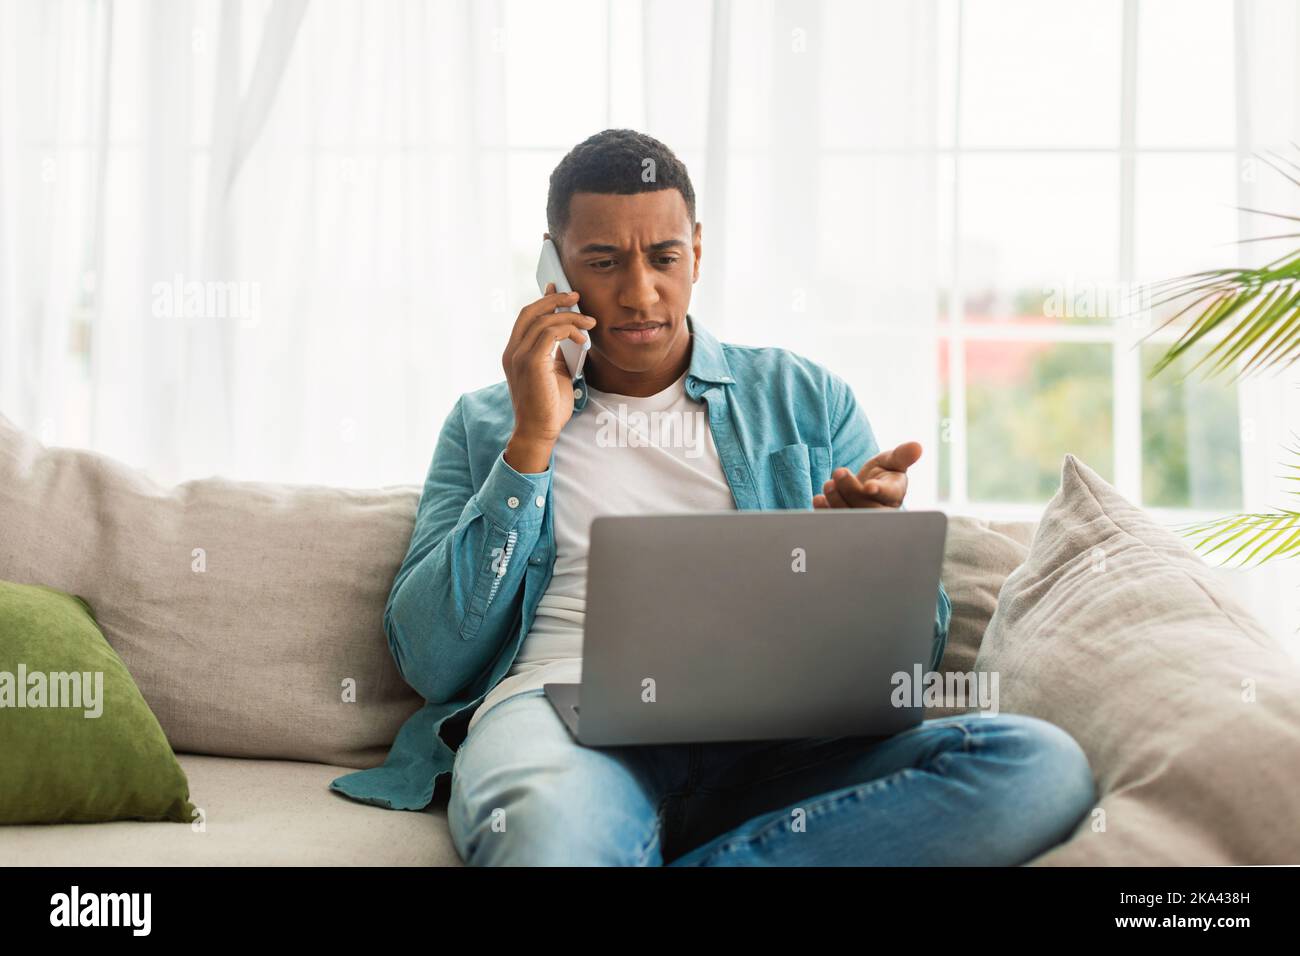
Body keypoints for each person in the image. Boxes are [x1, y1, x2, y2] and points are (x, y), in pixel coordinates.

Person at [330, 128, 1096, 866]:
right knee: (545, 840)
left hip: (781, 742)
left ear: (697, 249)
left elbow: (911, 665)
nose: (639, 292)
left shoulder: (804, 398)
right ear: (553, 267)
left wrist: (855, 558)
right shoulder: (485, 422)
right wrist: (529, 445)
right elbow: (431, 660)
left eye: (664, 257)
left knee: (1039, 768)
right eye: (602, 261)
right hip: (564, 724)